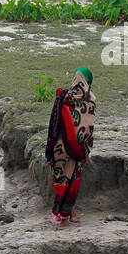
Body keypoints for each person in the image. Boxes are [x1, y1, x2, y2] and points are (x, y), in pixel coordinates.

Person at [45, 67, 97, 229]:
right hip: (74, 148)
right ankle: (63, 222)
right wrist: (85, 149)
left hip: (59, 147)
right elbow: (86, 126)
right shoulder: (89, 98)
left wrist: (50, 149)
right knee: (71, 180)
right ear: (88, 80)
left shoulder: (63, 95)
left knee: (62, 180)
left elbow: (53, 122)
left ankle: (71, 213)